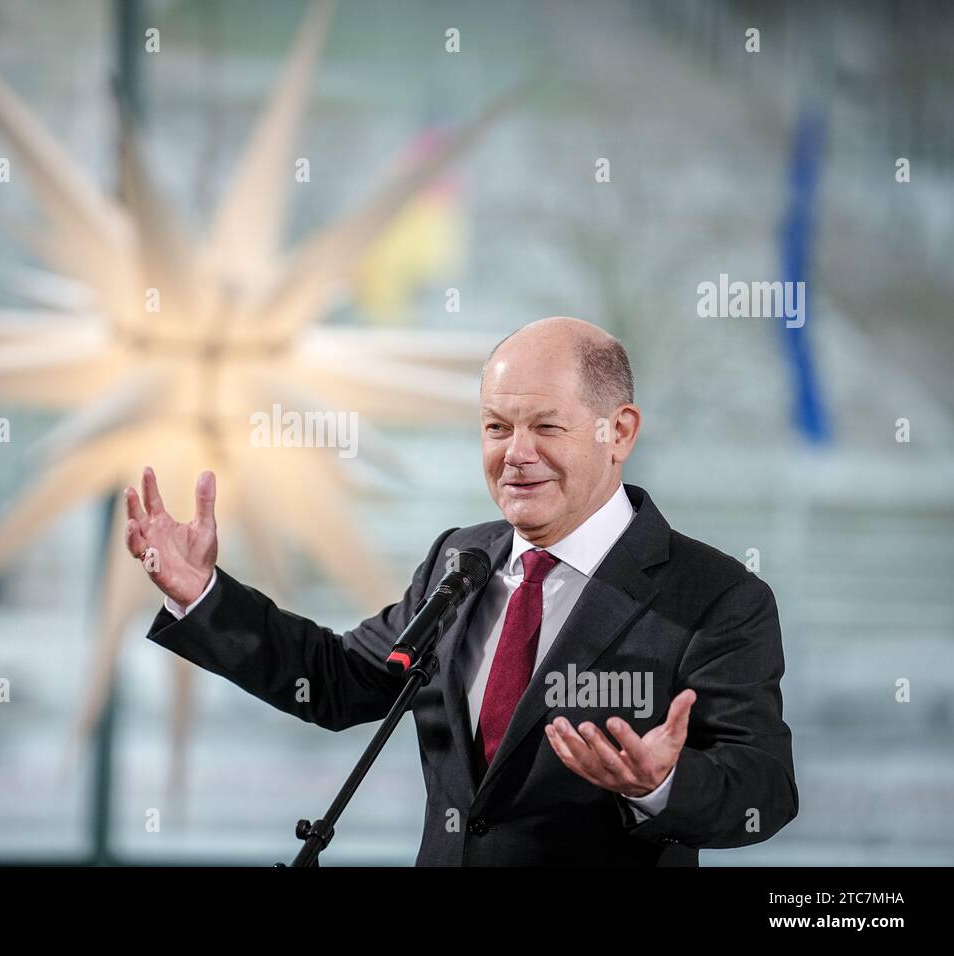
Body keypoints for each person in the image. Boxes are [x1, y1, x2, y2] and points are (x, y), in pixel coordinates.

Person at [123, 316, 798, 865]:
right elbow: (334, 680)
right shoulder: (462, 558)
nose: (516, 453)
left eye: (546, 427)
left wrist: (663, 784)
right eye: (496, 428)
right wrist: (203, 594)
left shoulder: (715, 597)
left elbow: (763, 790)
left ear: (618, 432)